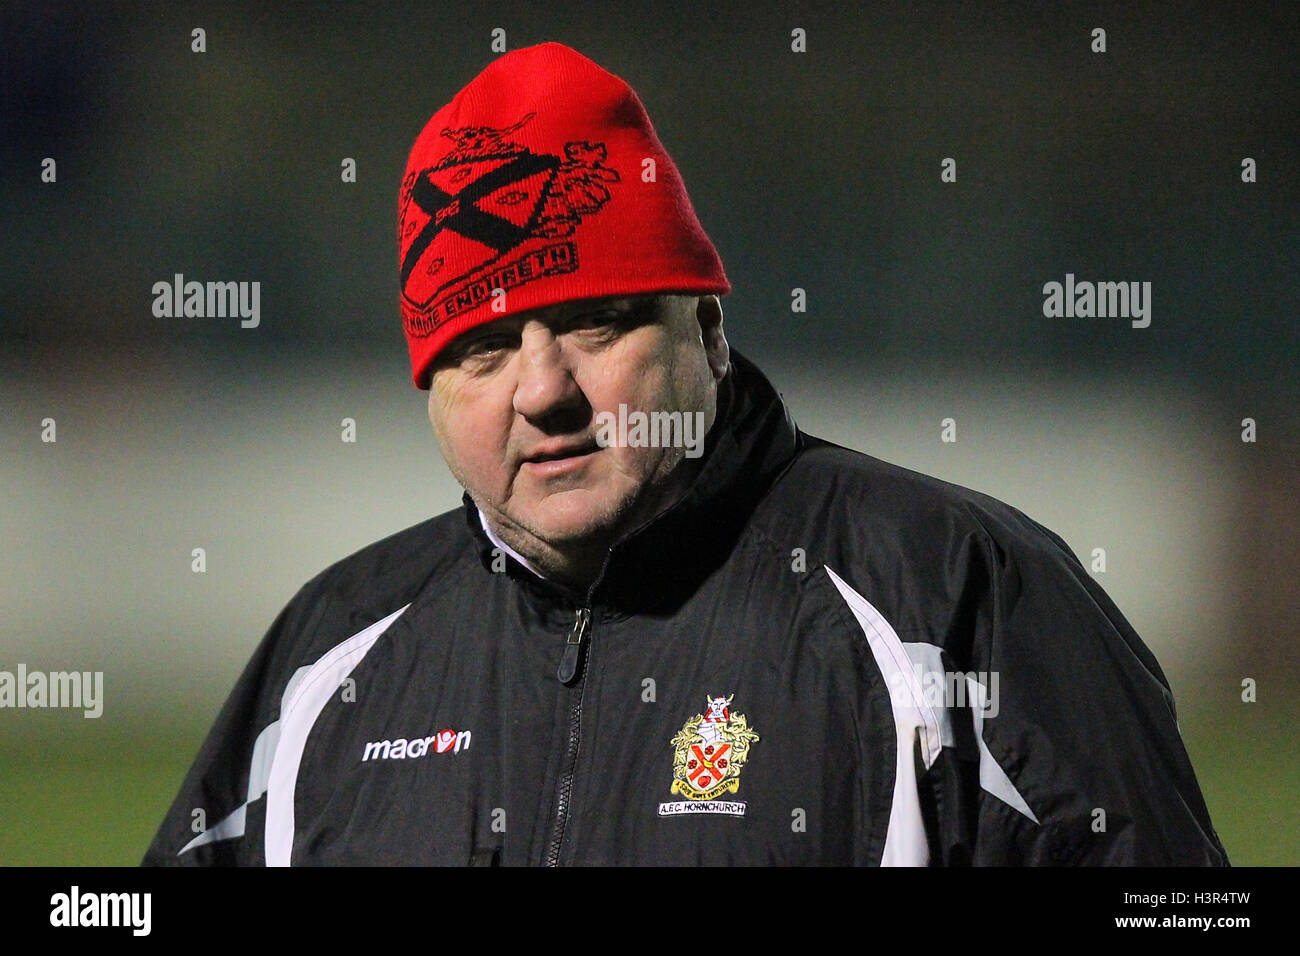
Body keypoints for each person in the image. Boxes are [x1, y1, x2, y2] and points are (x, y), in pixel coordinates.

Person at [143, 42, 1228, 866]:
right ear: (430, 388)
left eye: (595, 323)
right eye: (479, 349)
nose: (542, 391)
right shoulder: (333, 654)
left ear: (707, 327)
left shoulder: (952, 590)